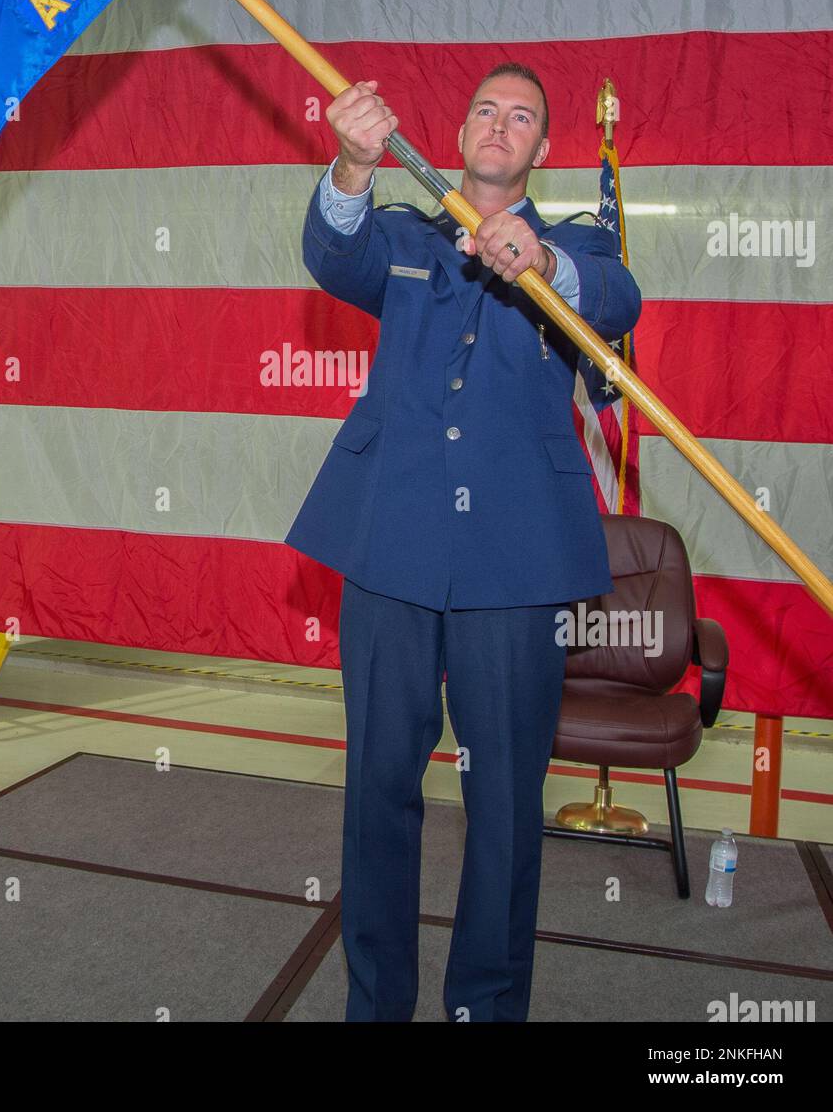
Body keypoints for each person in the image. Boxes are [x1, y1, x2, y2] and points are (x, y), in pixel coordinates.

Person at [284, 64, 643, 1022]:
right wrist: (352, 169)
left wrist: (544, 262)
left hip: (514, 563)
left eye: (522, 115)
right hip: (391, 547)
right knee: (376, 794)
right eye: (487, 108)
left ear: (541, 150)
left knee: (503, 813)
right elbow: (332, 254)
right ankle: (377, 1005)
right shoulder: (402, 231)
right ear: (458, 130)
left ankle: (484, 1008)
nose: (501, 123)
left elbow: (617, 298)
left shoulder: (575, 247)